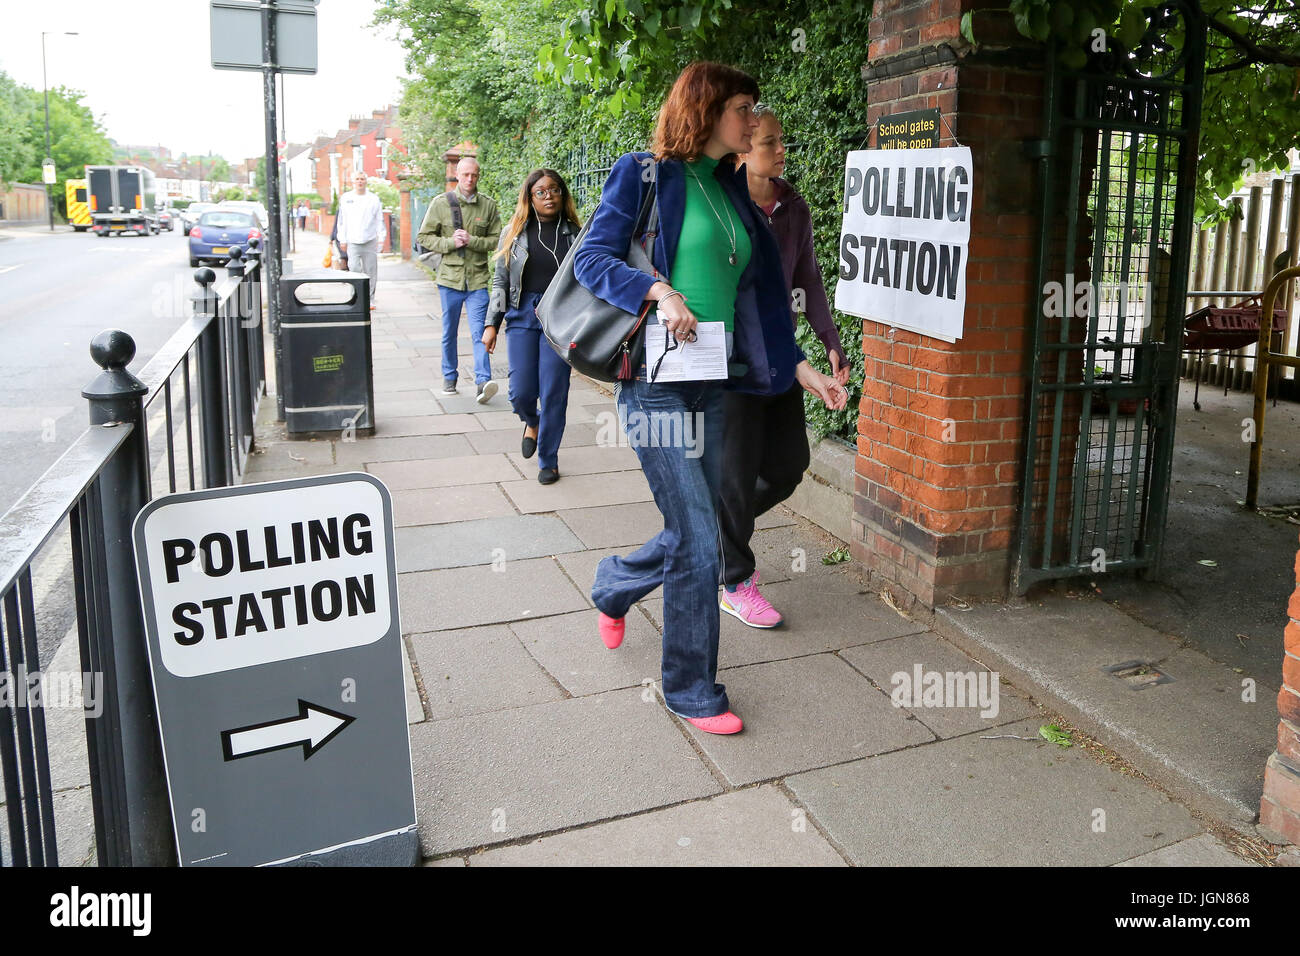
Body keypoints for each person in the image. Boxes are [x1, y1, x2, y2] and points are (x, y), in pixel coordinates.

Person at [574, 62, 847, 736]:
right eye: (744, 107)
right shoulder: (646, 173)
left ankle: (615, 583)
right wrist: (660, 292)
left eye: (755, 108)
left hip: (719, 380)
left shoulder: (731, 189)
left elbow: (761, 299)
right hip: (655, 384)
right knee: (698, 536)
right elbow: (591, 260)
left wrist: (800, 367)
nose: (755, 120)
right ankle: (691, 687)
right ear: (706, 108)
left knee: (703, 523)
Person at [717, 103, 852, 629]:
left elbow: (808, 278)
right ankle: (735, 578)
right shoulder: (725, 204)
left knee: (788, 465)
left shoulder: (793, 208)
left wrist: (830, 339)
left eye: (780, 141)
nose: (780, 151)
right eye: (769, 141)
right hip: (731, 361)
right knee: (734, 475)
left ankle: (716, 534)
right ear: (744, 148)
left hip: (780, 354)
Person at [484, 169, 580, 485]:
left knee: (554, 392)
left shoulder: (576, 234)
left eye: (554, 189)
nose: (549, 195)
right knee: (521, 392)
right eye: (541, 191)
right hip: (523, 315)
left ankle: (548, 461)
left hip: (560, 319)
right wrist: (491, 324)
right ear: (530, 197)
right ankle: (531, 421)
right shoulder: (514, 232)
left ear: (562, 194)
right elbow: (500, 279)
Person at [417, 156, 502, 403]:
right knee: (449, 332)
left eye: (474, 175)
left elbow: (497, 240)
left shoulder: (488, 205)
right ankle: (449, 378)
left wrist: (472, 241)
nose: (469, 179)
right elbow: (424, 237)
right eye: (465, 174)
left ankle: (482, 382)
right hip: (449, 279)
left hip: (477, 280)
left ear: (478, 176)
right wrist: (450, 243)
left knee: (480, 331)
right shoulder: (441, 203)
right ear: (457, 174)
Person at [336, 171, 384, 309]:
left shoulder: (373, 199)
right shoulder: (346, 198)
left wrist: (381, 238)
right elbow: (342, 221)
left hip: (370, 239)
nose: (360, 181)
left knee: (370, 271)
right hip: (352, 240)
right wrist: (342, 239)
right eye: (357, 179)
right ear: (353, 181)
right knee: (354, 269)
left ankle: (370, 300)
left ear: (366, 181)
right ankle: (356, 298)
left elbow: (379, 219)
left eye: (362, 179)